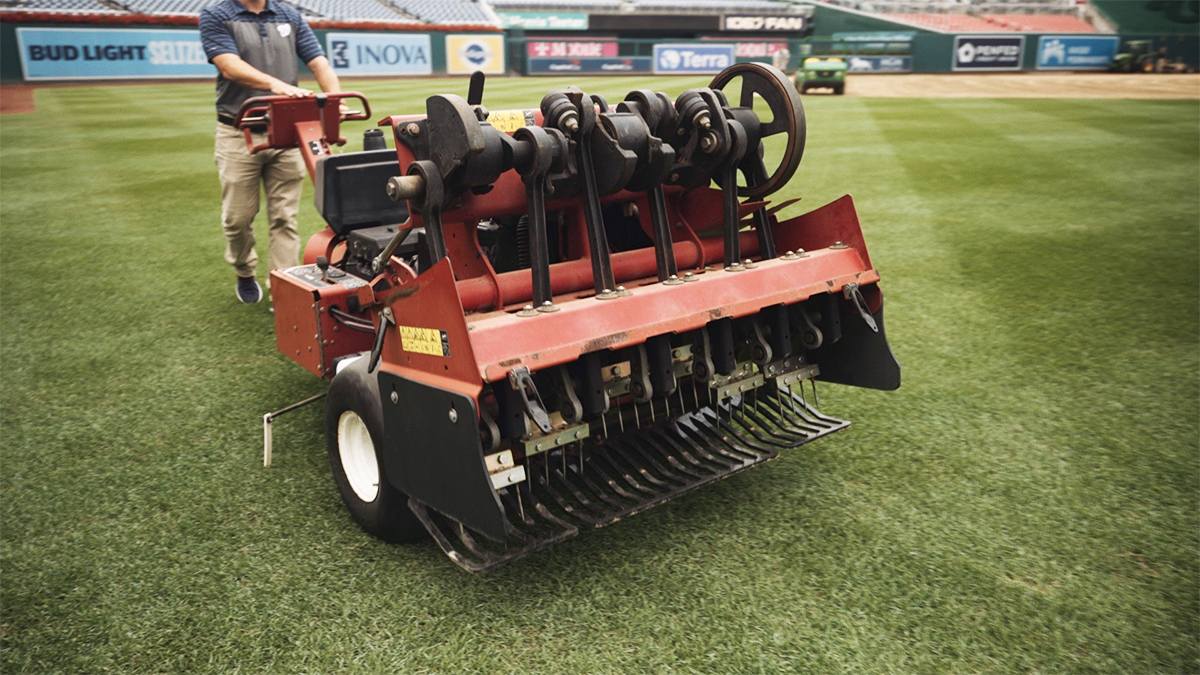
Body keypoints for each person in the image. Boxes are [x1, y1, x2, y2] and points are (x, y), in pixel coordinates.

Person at [200, 0, 342, 304]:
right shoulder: (216, 14)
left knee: (284, 218)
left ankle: (283, 289)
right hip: (238, 130)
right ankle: (244, 271)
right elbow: (228, 65)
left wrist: (335, 99)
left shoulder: (288, 14)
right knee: (237, 218)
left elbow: (319, 62)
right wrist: (276, 86)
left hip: (287, 132)